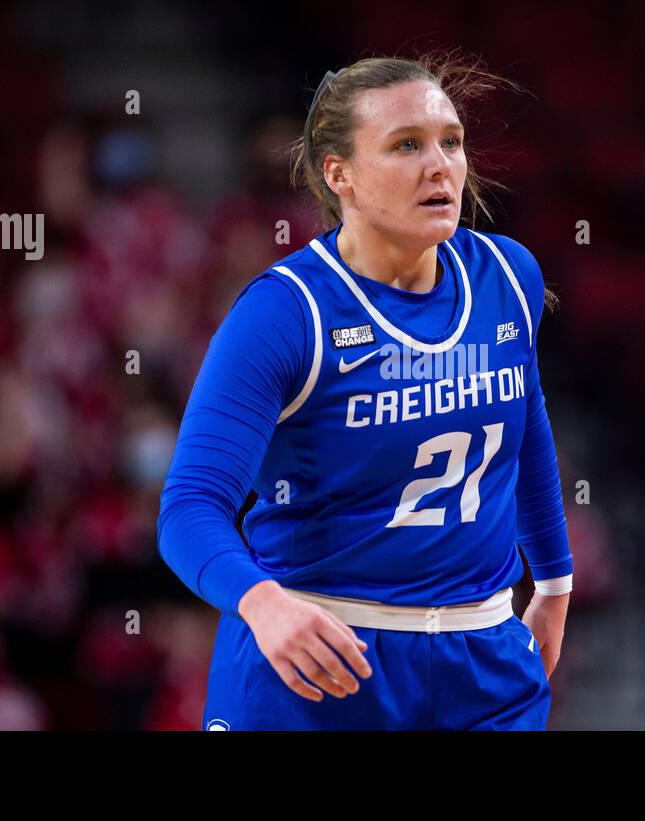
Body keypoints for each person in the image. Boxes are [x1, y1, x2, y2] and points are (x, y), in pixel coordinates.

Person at [157, 53, 573, 730]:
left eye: (451, 142)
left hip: (485, 658)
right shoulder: (285, 313)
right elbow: (188, 508)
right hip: (322, 655)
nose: (440, 165)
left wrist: (553, 579)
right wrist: (262, 602)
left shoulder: (507, 273)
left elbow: (526, 427)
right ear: (338, 174)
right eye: (406, 145)